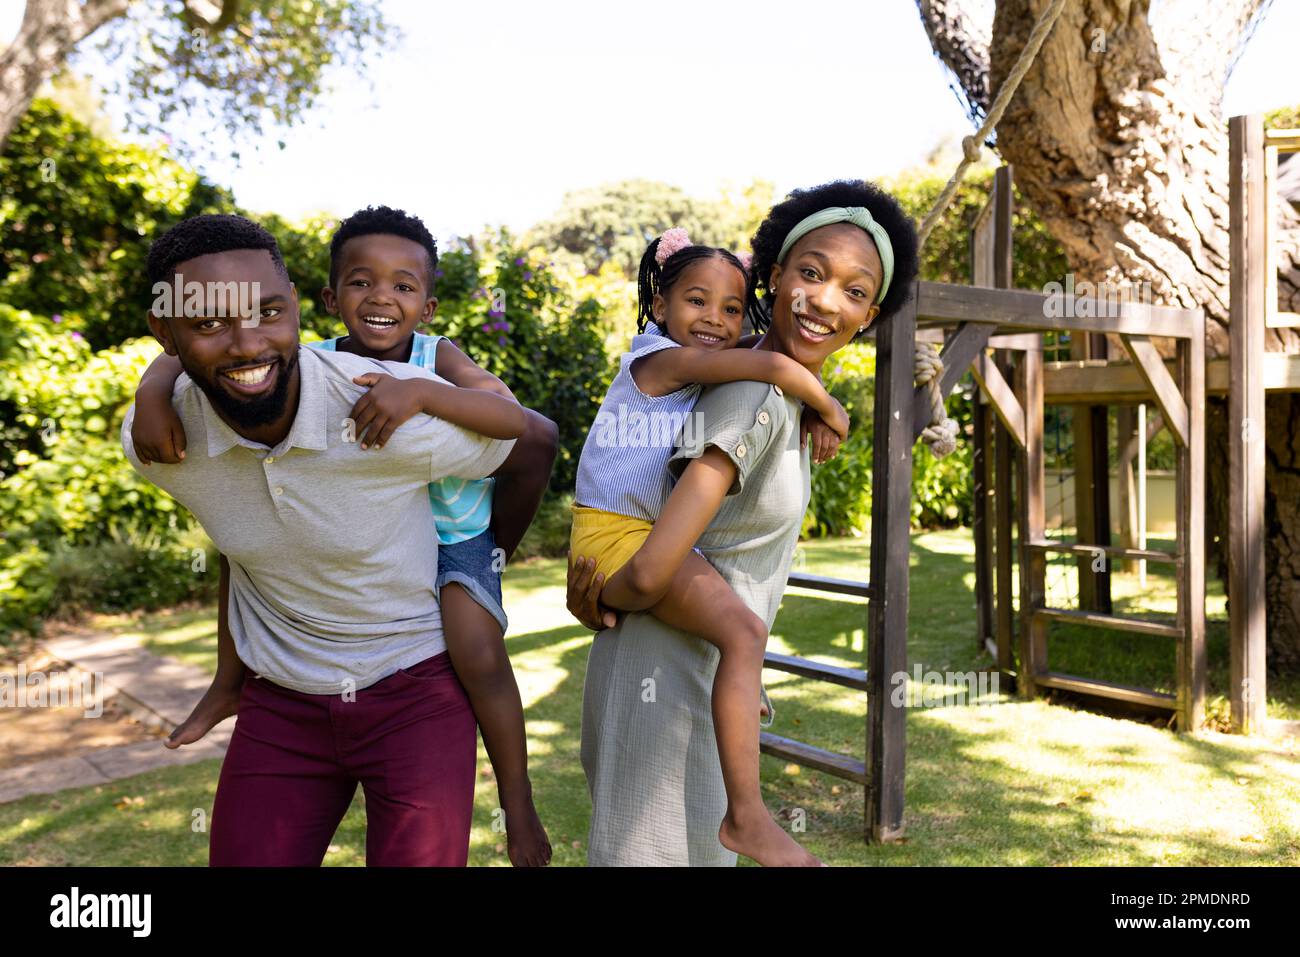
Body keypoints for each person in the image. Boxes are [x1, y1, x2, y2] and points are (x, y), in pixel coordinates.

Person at [122, 213, 558, 866]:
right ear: (169, 332)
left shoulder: (386, 407)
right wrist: (154, 384)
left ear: (294, 307)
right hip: (282, 699)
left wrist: (494, 552)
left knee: (479, 654)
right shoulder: (165, 444)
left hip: (418, 677)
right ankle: (232, 682)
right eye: (210, 322)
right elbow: (243, 535)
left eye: (268, 311)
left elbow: (529, 434)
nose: (246, 344)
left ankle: (517, 800)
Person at [569, 180, 921, 866]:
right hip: (662, 680)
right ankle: (752, 817)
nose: (824, 300)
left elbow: (709, 551)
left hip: (699, 675)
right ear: (776, 275)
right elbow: (650, 564)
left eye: (854, 290)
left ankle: (748, 815)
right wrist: (612, 591)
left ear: (870, 312)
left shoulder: (772, 392)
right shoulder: (759, 388)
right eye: (811, 273)